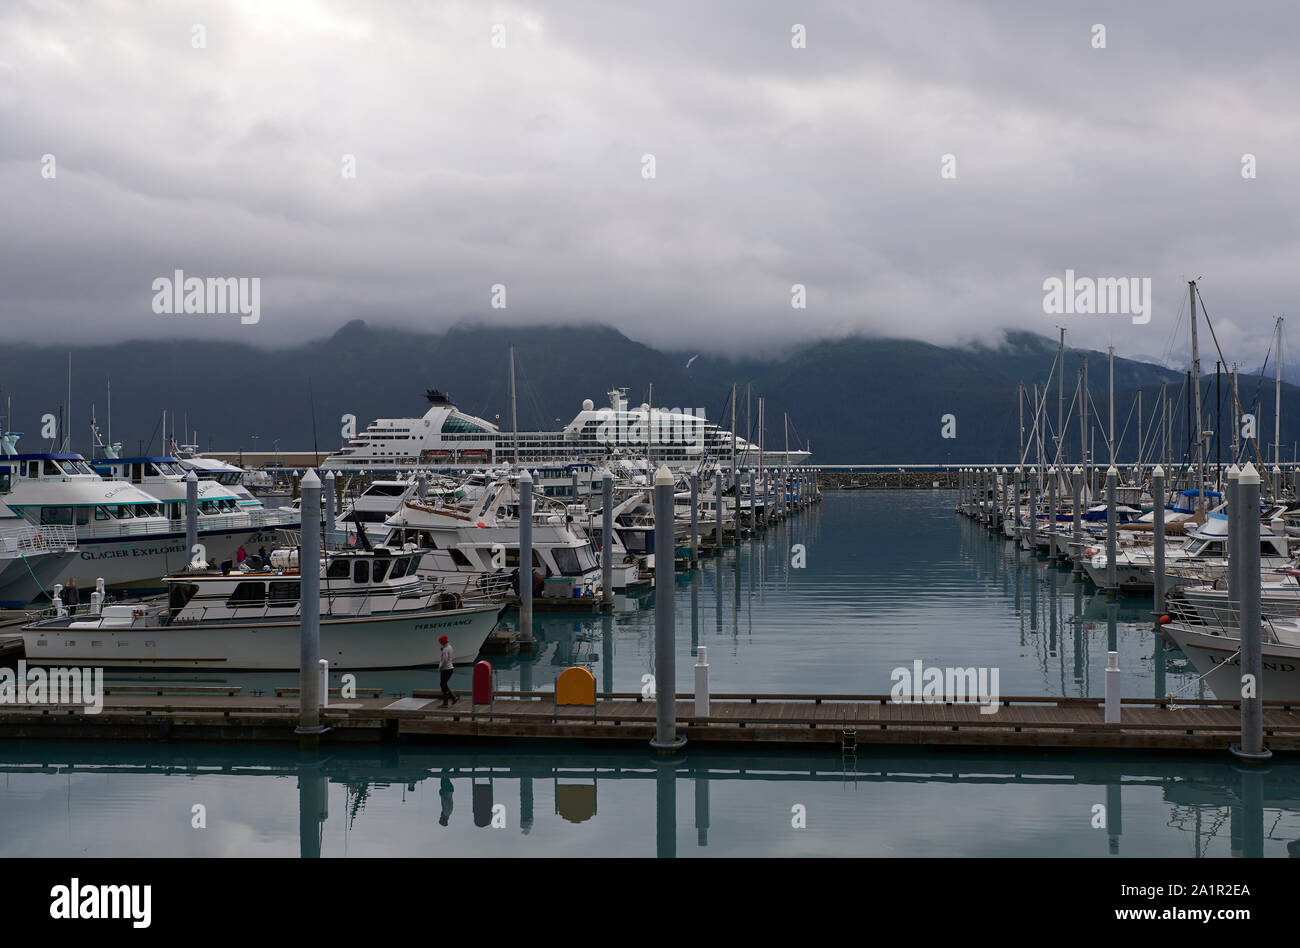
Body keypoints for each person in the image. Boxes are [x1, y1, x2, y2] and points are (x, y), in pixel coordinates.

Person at [438, 635, 455, 706]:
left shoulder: (445, 649)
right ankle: (452, 698)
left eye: (440, 642)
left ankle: (448, 701)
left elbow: (444, 660)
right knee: (444, 684)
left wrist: (440, 668)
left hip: (446, 669)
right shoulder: (449, 647)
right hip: (450, 668)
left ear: (442, 642)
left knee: (443, 684)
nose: (440, 643)